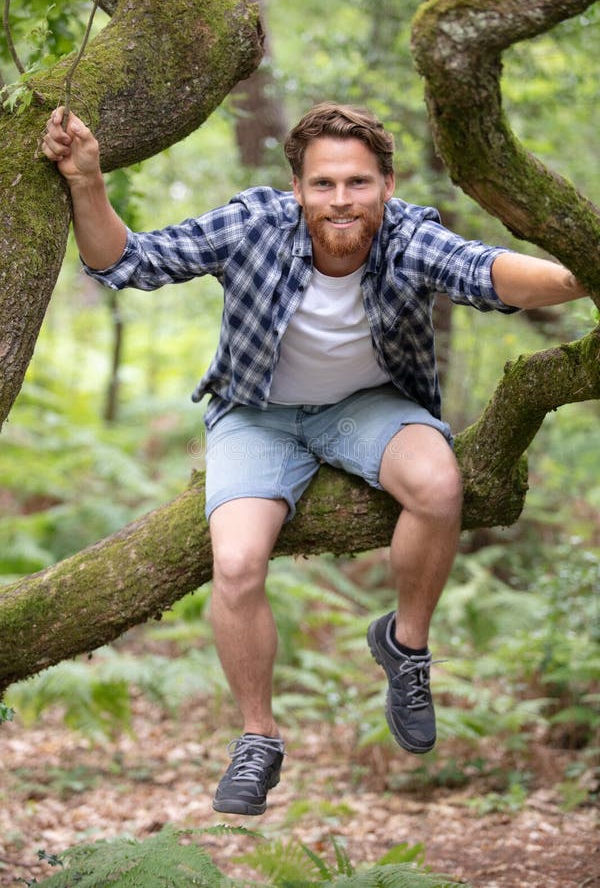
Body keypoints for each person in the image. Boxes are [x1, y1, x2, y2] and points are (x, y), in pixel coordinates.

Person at [42, 102, 587, 816]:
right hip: (255, 416)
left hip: (369, 406)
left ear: (387, 186)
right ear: (297, 187)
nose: (341, 200)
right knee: (237, 563)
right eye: (324, 184)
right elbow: (129, 262)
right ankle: (258, 739)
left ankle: (406, 647)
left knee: (438, 482)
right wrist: (87, 181)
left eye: (358, 183)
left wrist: (583, 274)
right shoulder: (253, 225)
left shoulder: (408, 236)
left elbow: (489, 274)